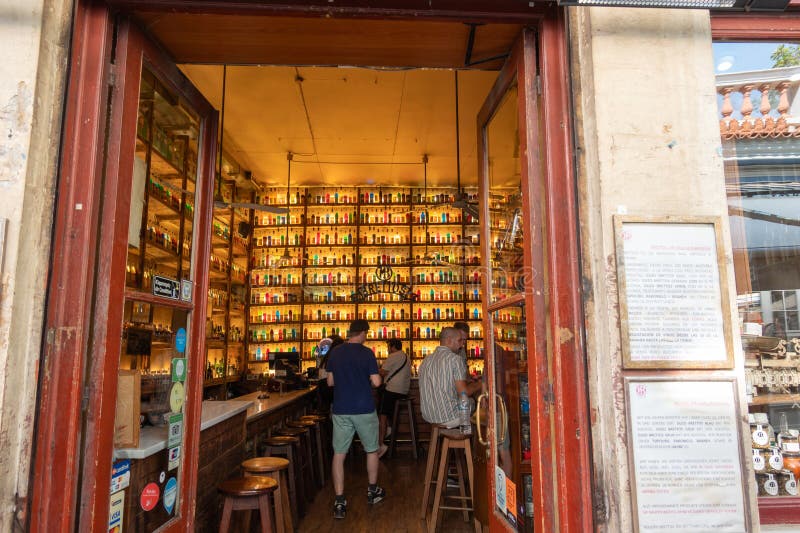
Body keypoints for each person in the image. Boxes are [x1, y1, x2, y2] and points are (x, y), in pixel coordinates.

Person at [325, 320, 387, 519]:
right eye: (366, 333)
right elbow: (377, 382)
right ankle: (372, 491)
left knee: (339, 453)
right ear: (362, 333)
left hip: (341, 409)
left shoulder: (335, 352)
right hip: (364, 409)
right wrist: (372, 378)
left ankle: (340, 501)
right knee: (371, 450)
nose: (366, 336)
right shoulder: (367, 353)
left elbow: (330, 381)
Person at [419, 327, 482, 428]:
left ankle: (460, 436)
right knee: (472, 401)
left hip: (429, 416)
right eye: (459, 340)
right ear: (448, 340)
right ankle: (465, 436)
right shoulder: (455, 359)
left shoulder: (426, 360)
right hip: (449, 418)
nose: (462, 344)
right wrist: (480, 384)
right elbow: (463, 392)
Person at [378, 339, 411, 445]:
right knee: (389, 413)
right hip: (403, 391)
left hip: (392, 390)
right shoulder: (406, 356)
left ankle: (381, 443)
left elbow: (383, 372)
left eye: (388, 347)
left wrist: (374, 368)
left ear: (392, 347)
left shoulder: (393, 356)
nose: (388, 350)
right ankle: (389, 429)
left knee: (382, 414)